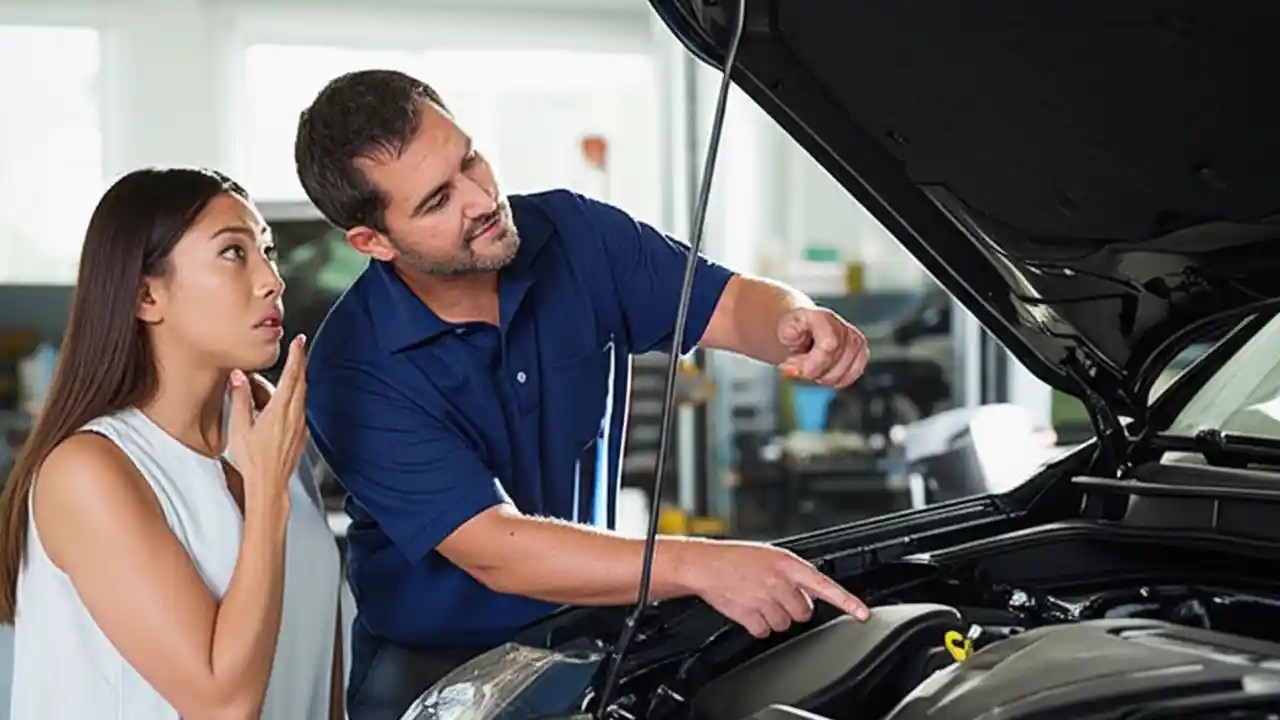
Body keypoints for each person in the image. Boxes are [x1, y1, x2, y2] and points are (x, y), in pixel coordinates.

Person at [294, 69, 873, 718]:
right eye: (436, 201)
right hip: (440, 675)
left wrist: (795, 325)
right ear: (373, 242)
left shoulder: (573, 235)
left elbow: (733, 304)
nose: (481, 198)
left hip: (589, 632)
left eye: (470, 160)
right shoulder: (355, 367)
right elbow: (494, 550)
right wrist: (702, 565)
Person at [0, 167, 344, 719]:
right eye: (234, 254)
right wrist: (267, 496)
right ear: (146, 295)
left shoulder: (270, 441)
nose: (271, 279)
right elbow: (223, 706)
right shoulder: (90, 472)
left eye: (269, 251)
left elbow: (315, 678)